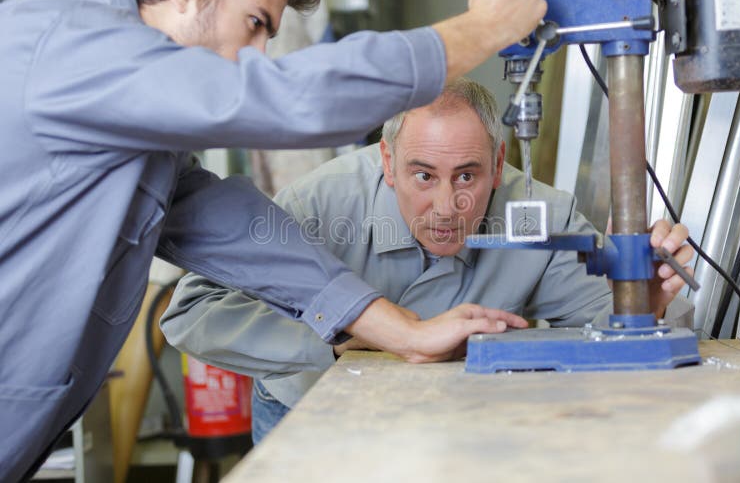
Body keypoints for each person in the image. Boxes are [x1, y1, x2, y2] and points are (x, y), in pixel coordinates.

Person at [0, 0, 545, 479]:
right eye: (254, 23)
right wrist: (481, 29)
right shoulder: (73, 47)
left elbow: (226, 227)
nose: (255, 55)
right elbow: (280, 98)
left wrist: (398, 329)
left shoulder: (127, 107)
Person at [161, 79, 696, 443]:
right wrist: (353, 335)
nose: (446, 207)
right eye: (423, 176)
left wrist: (643, 300)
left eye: (468, 175)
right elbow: (192, 312)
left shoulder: (539, 213)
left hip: (463, 422)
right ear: (387, 162)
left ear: (499, 162)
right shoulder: (320, 204)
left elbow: (606, 328)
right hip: (313, 417)